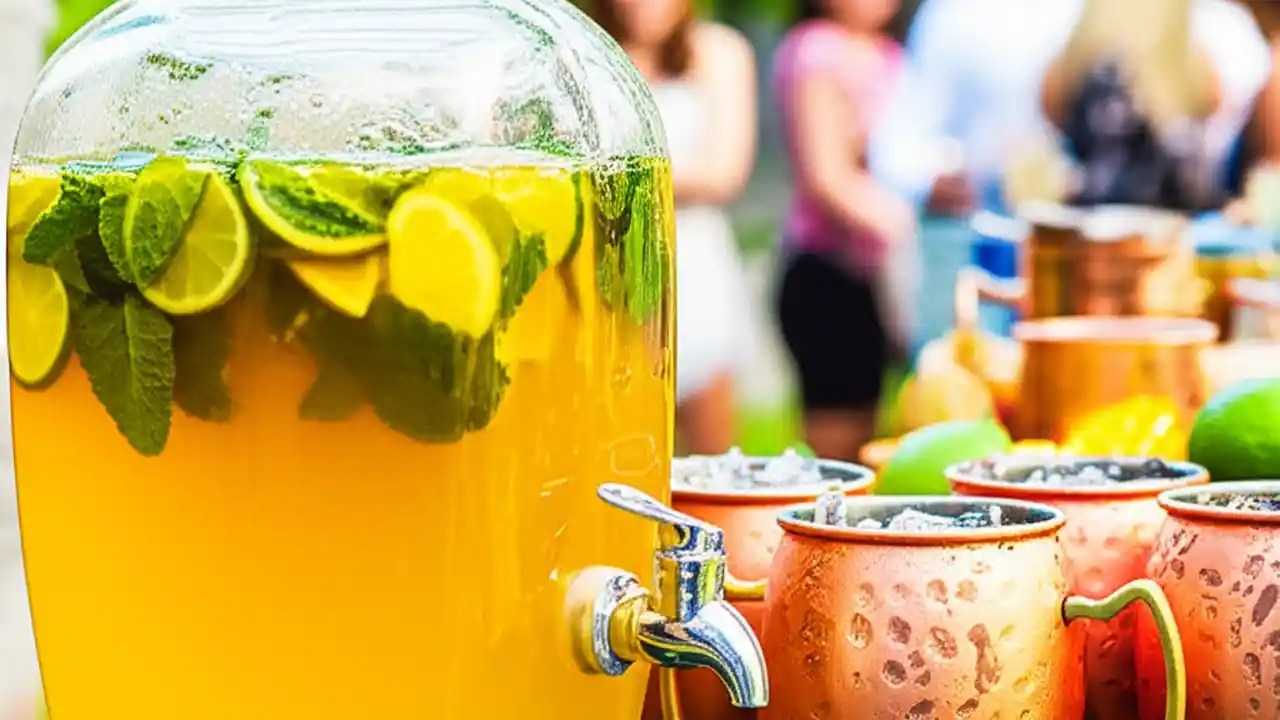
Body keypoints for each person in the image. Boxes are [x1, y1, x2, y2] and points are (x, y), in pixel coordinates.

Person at [871, 0, 1272, 216]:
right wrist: (939, 179)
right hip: (1016, 252)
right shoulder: (960, 14)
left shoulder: (1218, 25)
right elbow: (897, 147)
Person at [590, 0, 758, 455]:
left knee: (712, 449)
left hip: (695, 265)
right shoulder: (587, 54)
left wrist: (611, 177)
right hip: (608, 264)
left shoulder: (719, 52)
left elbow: (724, 171)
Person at [773, 0, 917, 463]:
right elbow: (825, 177)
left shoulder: (890, 53)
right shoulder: (817, 50)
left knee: (877, 443)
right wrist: (909, 228)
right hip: (828, 277)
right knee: (841, 459)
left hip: (872, 280)